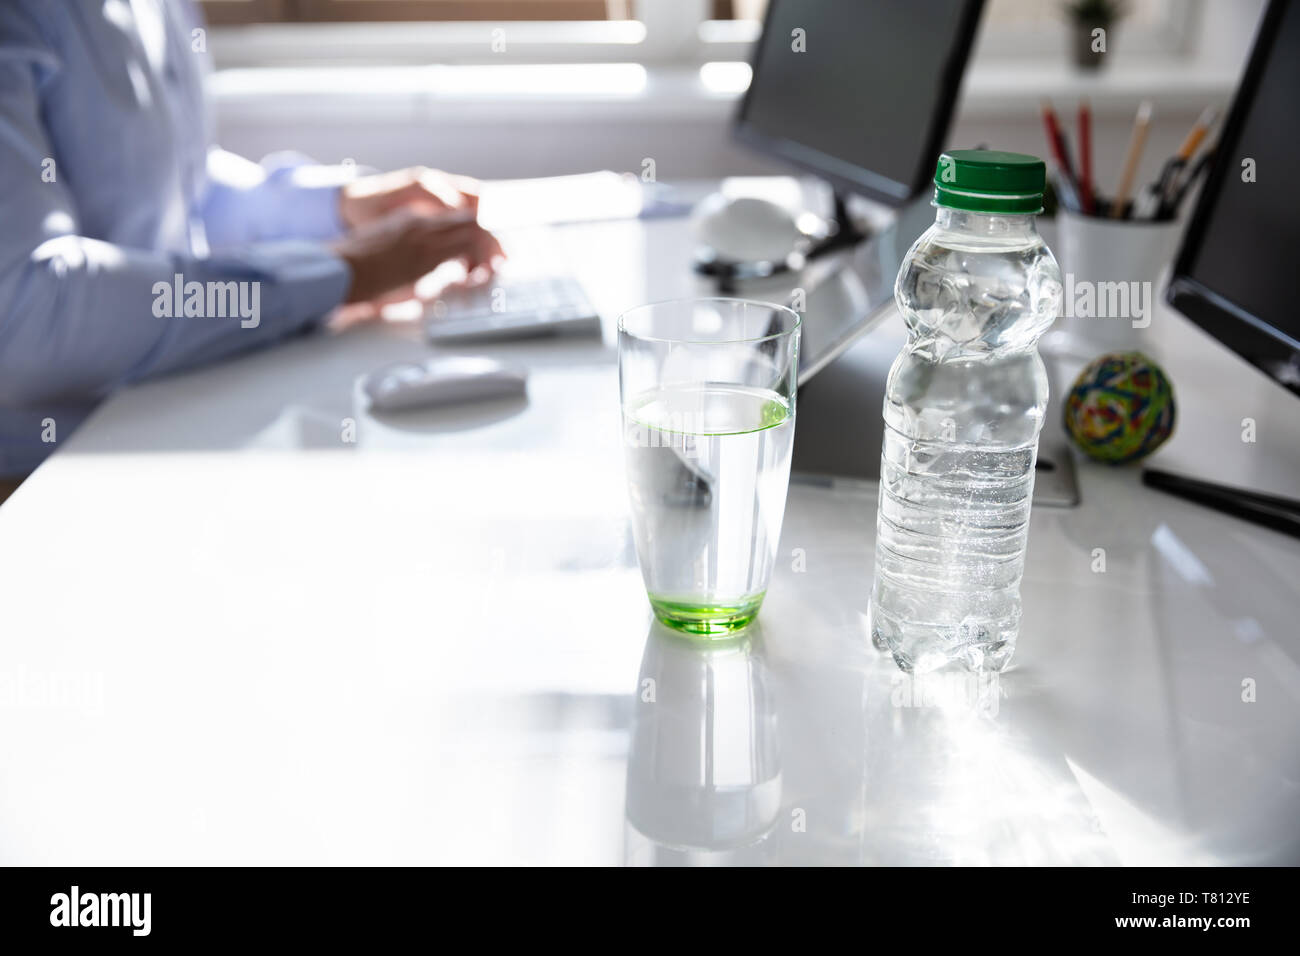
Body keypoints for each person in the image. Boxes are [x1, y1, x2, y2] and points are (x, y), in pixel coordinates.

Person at [0, 0, 503, 486]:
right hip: (38, 482)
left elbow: (180, 199)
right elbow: (26, 315)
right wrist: (339, 271)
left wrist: (335, 209)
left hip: (159, 412)